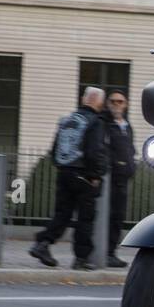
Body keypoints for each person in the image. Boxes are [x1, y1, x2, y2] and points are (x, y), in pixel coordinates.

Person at [29, 87, 107, 270]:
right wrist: (95, 174)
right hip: (84, 175)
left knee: (62, 214)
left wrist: (61, 166)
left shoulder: (66, 120)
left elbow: (54, 149)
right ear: (99, 102)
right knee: (85, 218)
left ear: (83, 99)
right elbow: (94, 151)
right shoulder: (95, 122)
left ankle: (43, 244)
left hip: (64, 172)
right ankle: (81, 259)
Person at [103, 89, 135, 269]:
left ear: (125, 104)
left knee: (118, 217)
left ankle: (111, 252)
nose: (116, 105)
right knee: (108, 216)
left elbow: (130, 149)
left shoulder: (127, 126)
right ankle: (106, 252)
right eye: (113, 101)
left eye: (120, 101)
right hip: (111, 178)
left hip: (124, 179)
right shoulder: (106, 125)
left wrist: (132, 166)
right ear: (108, 104)